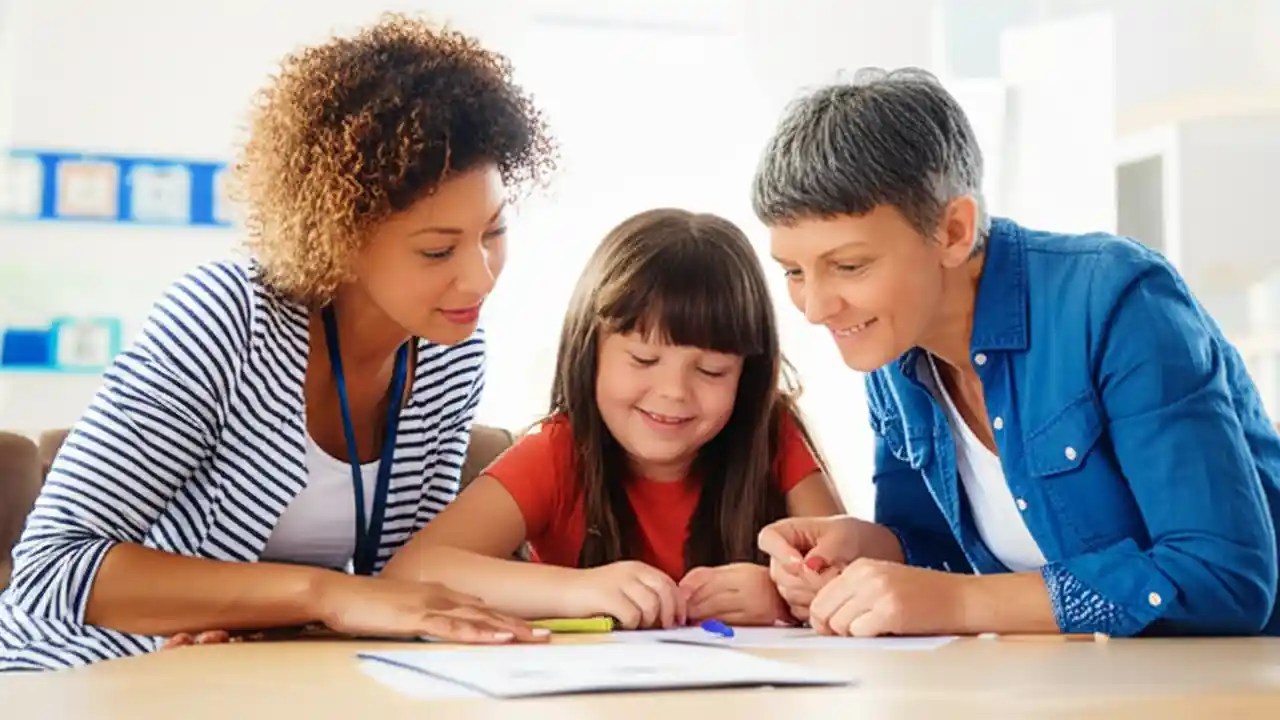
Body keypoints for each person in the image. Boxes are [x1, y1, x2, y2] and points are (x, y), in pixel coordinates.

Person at [0, 14, 557, 672]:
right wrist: (322, 596)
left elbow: (404, 587)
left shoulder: (449, 353)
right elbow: (52, 566)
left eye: (493, 232)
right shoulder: (227, 319)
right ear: (341, 236)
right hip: (81, 672)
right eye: (438, 249)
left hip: (258, 678)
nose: (480, 276)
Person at [751, 68, 1280, 638]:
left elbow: (1224, 578)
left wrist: (961, 604)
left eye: (849, 266)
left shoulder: (1116, 303)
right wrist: (866, 550)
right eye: (794, 272)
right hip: (1081, 682)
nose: (815, 307)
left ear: (953, 231)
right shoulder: (893, 353)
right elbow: (940, 555)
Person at [383, 209, 844, 628]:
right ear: (591, 354)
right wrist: (577, 589)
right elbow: (411, 572)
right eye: (643, 360)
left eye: (711, 370)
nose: (673, 392)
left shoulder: (771, 435)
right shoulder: (557, 451)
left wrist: (786, 596)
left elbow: (844, 574)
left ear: (747, 375)